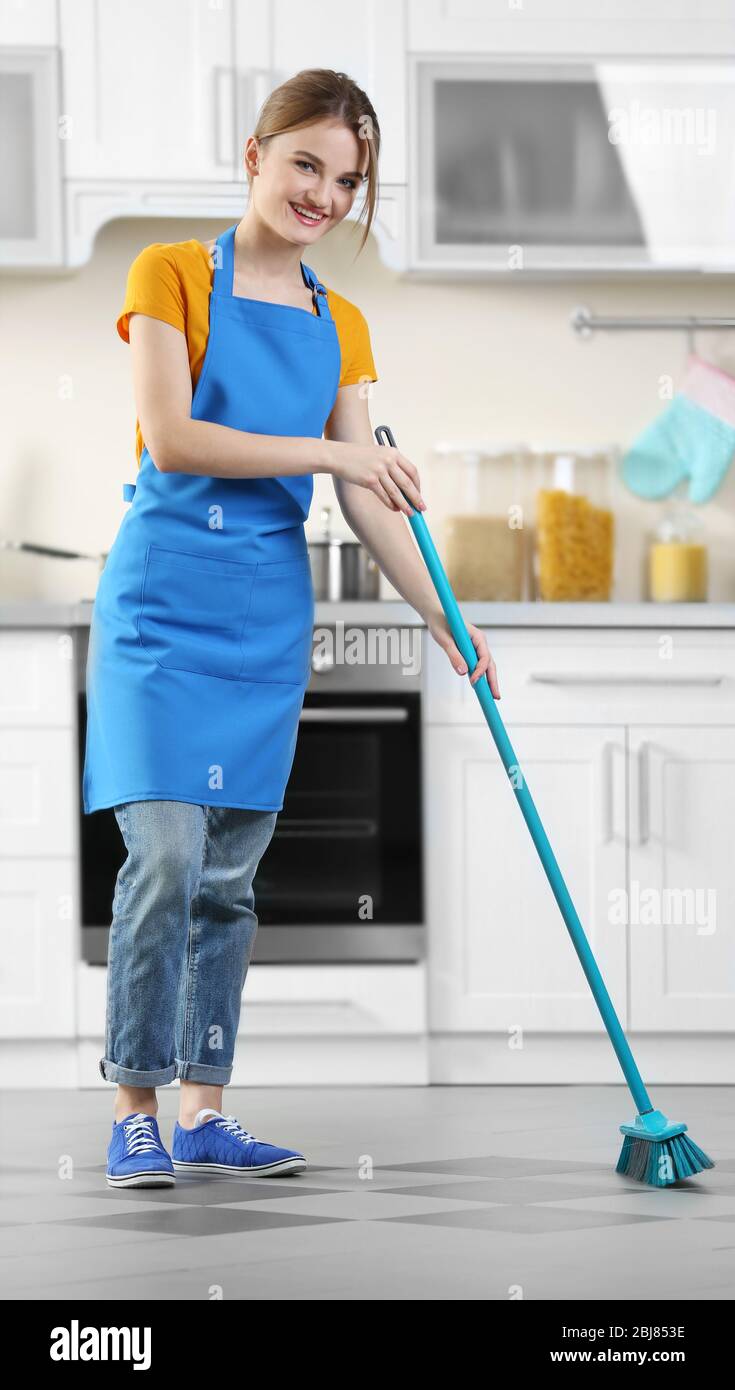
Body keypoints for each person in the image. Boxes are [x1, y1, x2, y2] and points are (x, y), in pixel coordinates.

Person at [84, 67, 501, 1189]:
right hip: (163, 606)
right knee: (165, 856)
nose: (321, 191)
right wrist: (332, 453)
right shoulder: (168, 272)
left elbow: (368, 497)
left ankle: (208, 1108)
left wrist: (444, 621)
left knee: (227, 877)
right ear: (256, 152)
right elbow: (172, 438)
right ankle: (136, 1103)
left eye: (345, 178)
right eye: (305, 162)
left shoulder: (340, 321)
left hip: (264, 617)